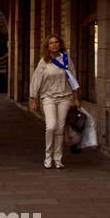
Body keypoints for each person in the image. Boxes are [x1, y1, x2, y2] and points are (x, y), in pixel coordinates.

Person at [27, 34, 80, 169]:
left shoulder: (66, 60)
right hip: (48, 97)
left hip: (65, 97)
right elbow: (36, 80)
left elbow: (72, 79)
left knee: (60, 129)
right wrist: (33, 98)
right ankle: (48, 156)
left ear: (60, 44)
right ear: (48, 46)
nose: (54, 44)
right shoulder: (44, 61)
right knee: (51, 126)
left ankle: (58, 159)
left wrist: (76, 97)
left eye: (56, 42)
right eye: (51, 43)